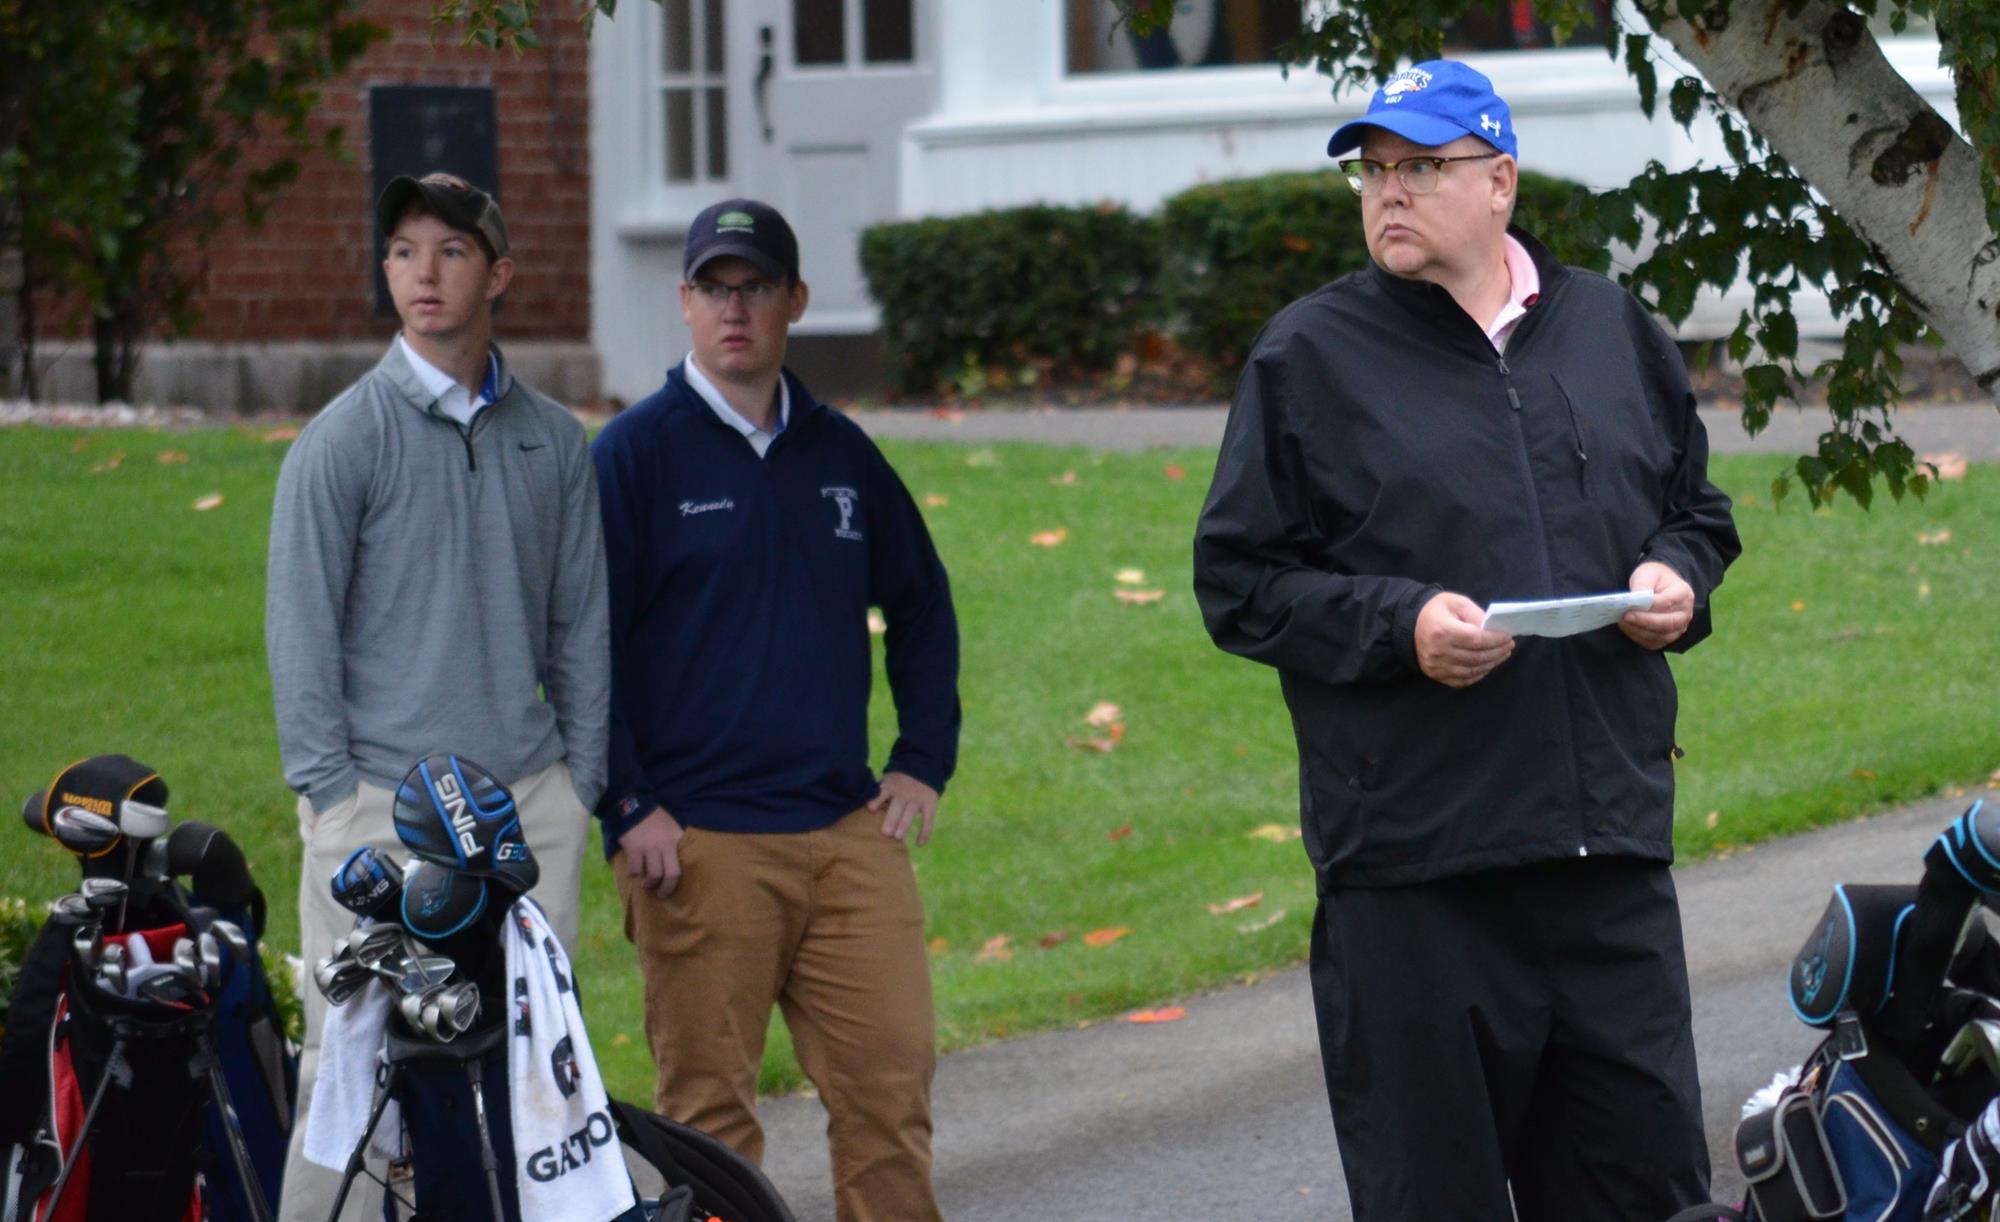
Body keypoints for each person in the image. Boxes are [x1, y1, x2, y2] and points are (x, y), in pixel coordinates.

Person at [1192, 61, 1741, 1219]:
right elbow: (1238, 582)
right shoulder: (1309, 356)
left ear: (1499, 181)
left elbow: (1696, 513)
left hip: (1604, 869)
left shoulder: (1608, 328)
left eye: (1419, 168)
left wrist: (1674, 580)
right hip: (1414, 880)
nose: (1387, 193)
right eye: (1371, 171)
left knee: (1646, 1198)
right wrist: (1397, 626)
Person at [591, 198, 960, 1222]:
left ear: (795, 301)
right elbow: (580, 651)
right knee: (710, 1130)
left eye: (755, 287)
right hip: (699, 845)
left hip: (846, 835)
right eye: (714, 287)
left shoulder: (841, 455)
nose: (734, 308)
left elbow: (922, 603)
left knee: (890, 1098)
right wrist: (626, 805)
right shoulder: (633, 455)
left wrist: (922, 755)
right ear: (684, 303)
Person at [265, 171, 609, 1222]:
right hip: (376, 804)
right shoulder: (341, 440)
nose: (423, 270)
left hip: (525, 805)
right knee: (350, 1069)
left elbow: (581, 626)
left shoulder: (553, 442)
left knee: (535, 1064)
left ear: (497, 272)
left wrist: (579, 786)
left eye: (452, 250)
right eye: (404, 250)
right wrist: (329, 797)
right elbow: (301, 638)